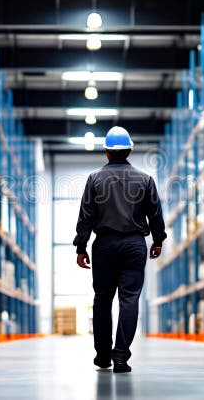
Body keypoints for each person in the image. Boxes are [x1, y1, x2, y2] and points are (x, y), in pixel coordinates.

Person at [73, 126, 167, 373]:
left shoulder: (94, 179)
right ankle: (121, 357)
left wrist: (81, 246)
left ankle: (103, 355)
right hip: (134, 245)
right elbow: (155, 214)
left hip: (104, 246)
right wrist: (158, 240)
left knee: (102, 299)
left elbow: (86, 216)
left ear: (106, 152)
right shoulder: (145, 180)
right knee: (129, 299)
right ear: (129, 151)